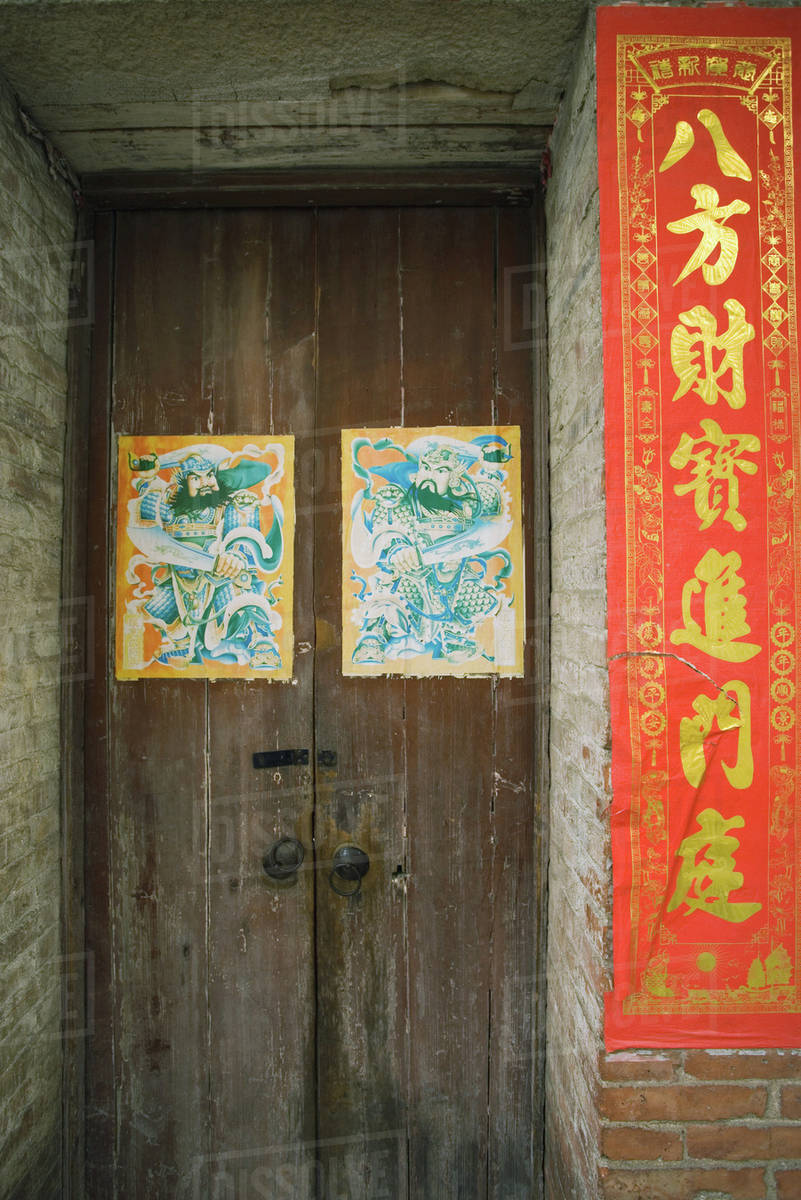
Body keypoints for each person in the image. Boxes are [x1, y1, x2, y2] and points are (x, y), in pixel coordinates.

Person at [125, 444, 284, 669]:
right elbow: (146, 528)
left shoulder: (225, 504)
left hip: (218, 578)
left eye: (209, 475)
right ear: (183, 483)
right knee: (156, 611)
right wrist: (151, 475)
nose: (205, 482)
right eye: (196, 478)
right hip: (180, 579)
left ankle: (260, 643)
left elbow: (261, 472)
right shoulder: (169, 506)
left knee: (240, 598)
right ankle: (182, 644)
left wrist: (234, 558)